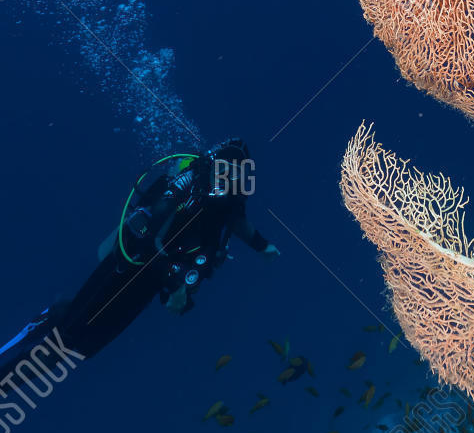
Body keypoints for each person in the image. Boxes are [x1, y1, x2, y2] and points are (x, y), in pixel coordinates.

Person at [0, 140, 278, 374]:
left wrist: (263, 246)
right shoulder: (186, 189)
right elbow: (148, 239)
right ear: (214, 167)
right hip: (127, 268)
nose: (229, 183)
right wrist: (176, 287)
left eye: (237, 176)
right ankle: (15, 366)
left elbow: (239, 224)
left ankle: (58, 315)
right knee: (65, 341)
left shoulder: (226, 205)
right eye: (226, 172)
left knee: (81, 346)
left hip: (149, 283)